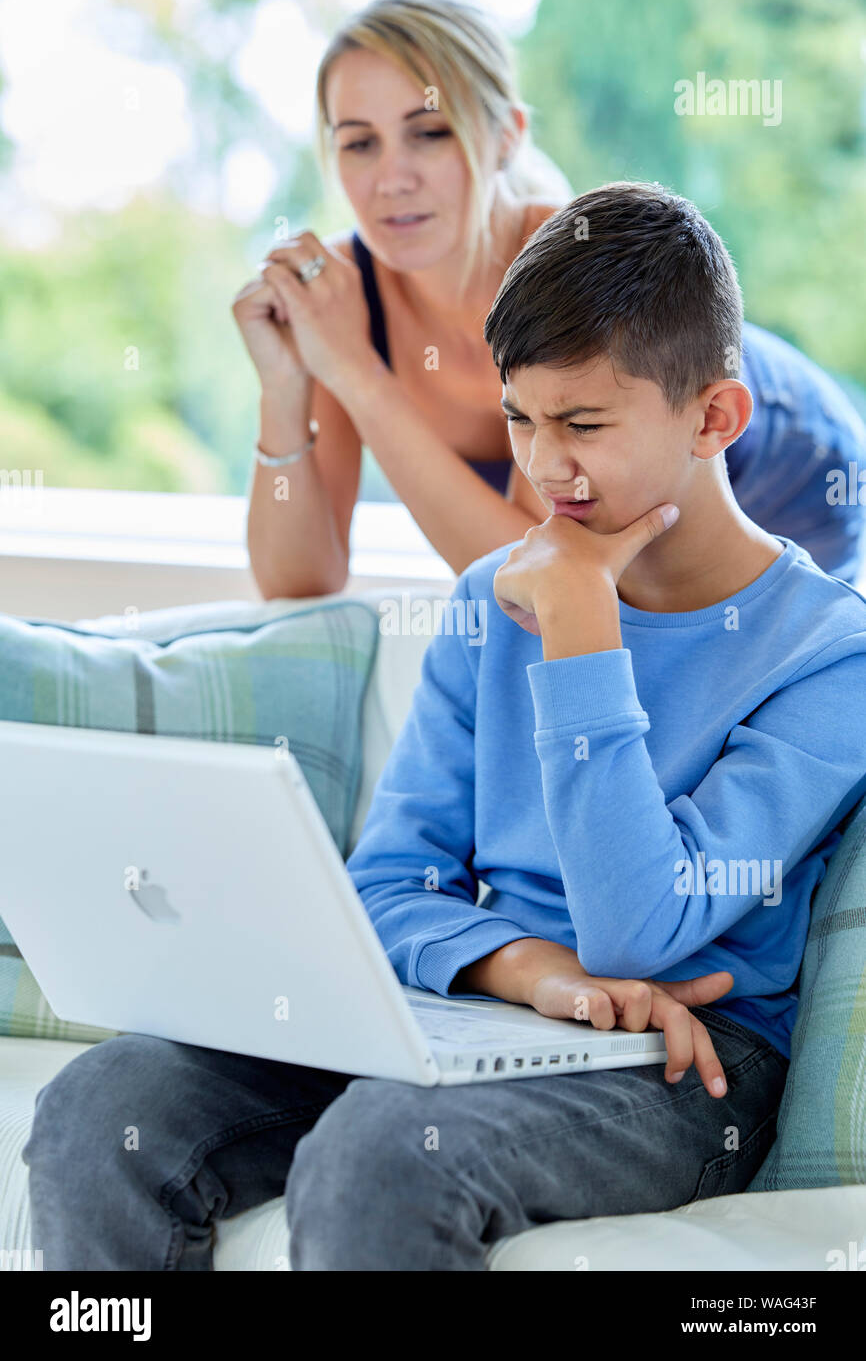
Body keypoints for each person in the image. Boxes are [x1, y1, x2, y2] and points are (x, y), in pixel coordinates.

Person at [23, 182, 866, 1270]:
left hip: (685, 1064)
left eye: (582, 425)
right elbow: (385, 885)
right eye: (520, 419)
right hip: (486, 1016)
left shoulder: (825, 653)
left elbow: (637, 930)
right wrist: (527, 970)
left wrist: (582, 637)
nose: (544, 468)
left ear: (713, 417)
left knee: (383, 1154)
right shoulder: (491, 600)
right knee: (103, 1104)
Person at [234, 0, 866, 599]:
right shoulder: (345, 298)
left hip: (784, 466)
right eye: (359, 143)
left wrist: (359, 376)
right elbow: (300, 582)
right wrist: (285, 388)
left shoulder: (564, 253)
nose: (391, 179)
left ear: (507, 135)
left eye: (429, 132)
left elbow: (542, 583)